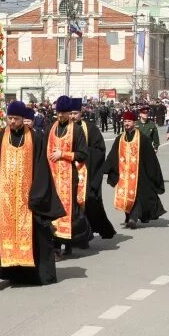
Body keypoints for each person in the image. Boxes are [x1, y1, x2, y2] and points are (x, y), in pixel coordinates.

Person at [0, 101, 66, 290]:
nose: (12, 122)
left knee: (36, 233)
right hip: (4, 200)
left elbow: (41, 169)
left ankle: (32, 274)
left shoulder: (36, 138)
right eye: (9, 118)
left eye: (15, 118)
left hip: (28, 200)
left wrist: (38, 197)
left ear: (24, 119)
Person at [103, 110, 166, 229]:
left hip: (139, 173)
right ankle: (128, 217)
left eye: (129, 121)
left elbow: (150, 158)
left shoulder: (141, 138)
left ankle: (133, 218)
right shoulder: (120, 139)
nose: (127, 123)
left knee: (137, 196)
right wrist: (105, 168)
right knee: (126, 196)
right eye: (125, 121)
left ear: (134, 122)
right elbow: (113, 155)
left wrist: (152, 173)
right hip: (124, 174)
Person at [47, 95, 91, 257]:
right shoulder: (51, 128)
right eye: (58, 112)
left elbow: (82, 154)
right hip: (52, 177)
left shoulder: (76, 130)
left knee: (69, 212)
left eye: (64, 113)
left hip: (69, 178)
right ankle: (56, 246)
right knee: (53, 212)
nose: (61, 116)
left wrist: (63, 154)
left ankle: (69, 244)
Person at [70, 100, 116, 239]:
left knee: (90, 202)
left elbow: (99, 149)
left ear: (81, 113)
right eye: (70, 113)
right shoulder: (63, 129)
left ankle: (88, 232)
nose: (72, 116)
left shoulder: (90, 129)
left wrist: (82, 155)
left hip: (87, 172)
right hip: (68, 172)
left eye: (75, 113)